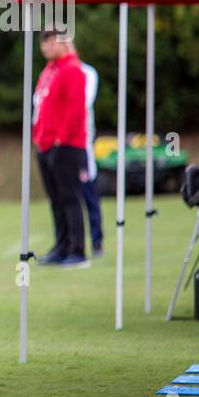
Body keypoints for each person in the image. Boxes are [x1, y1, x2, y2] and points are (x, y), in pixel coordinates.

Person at [33, 30, 90, 269]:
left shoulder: (72, 70)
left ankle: (77, 249)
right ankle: (62, 245)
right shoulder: (49, 70)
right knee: (56, 199)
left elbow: (75, 110)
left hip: (65, 145)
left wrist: (60, 139)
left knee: (69, 197)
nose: (46, 46)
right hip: (46, 143)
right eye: (43, 42)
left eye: (51, 41)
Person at [79, 58, 104, 258]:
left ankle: (97, 240)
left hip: (82, 142)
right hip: (62, 145)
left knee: (89, 194)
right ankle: (71, 242)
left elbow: (83, 102)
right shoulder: (52, 72)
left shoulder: (87, 73)